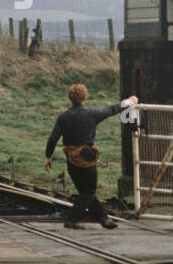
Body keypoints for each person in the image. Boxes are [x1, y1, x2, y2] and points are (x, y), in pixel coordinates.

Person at [44, 84, 139, 229]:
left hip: (70, 158)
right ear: (84, 97)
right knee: (89, 191)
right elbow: (111, 109)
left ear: (70, 98)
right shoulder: (92, 114)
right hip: (86, 157)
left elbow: (53, 138)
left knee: (85, 191)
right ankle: (71, 219)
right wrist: (130, 101)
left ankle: (104, 220)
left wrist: (48, 156)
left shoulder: (63, 117)